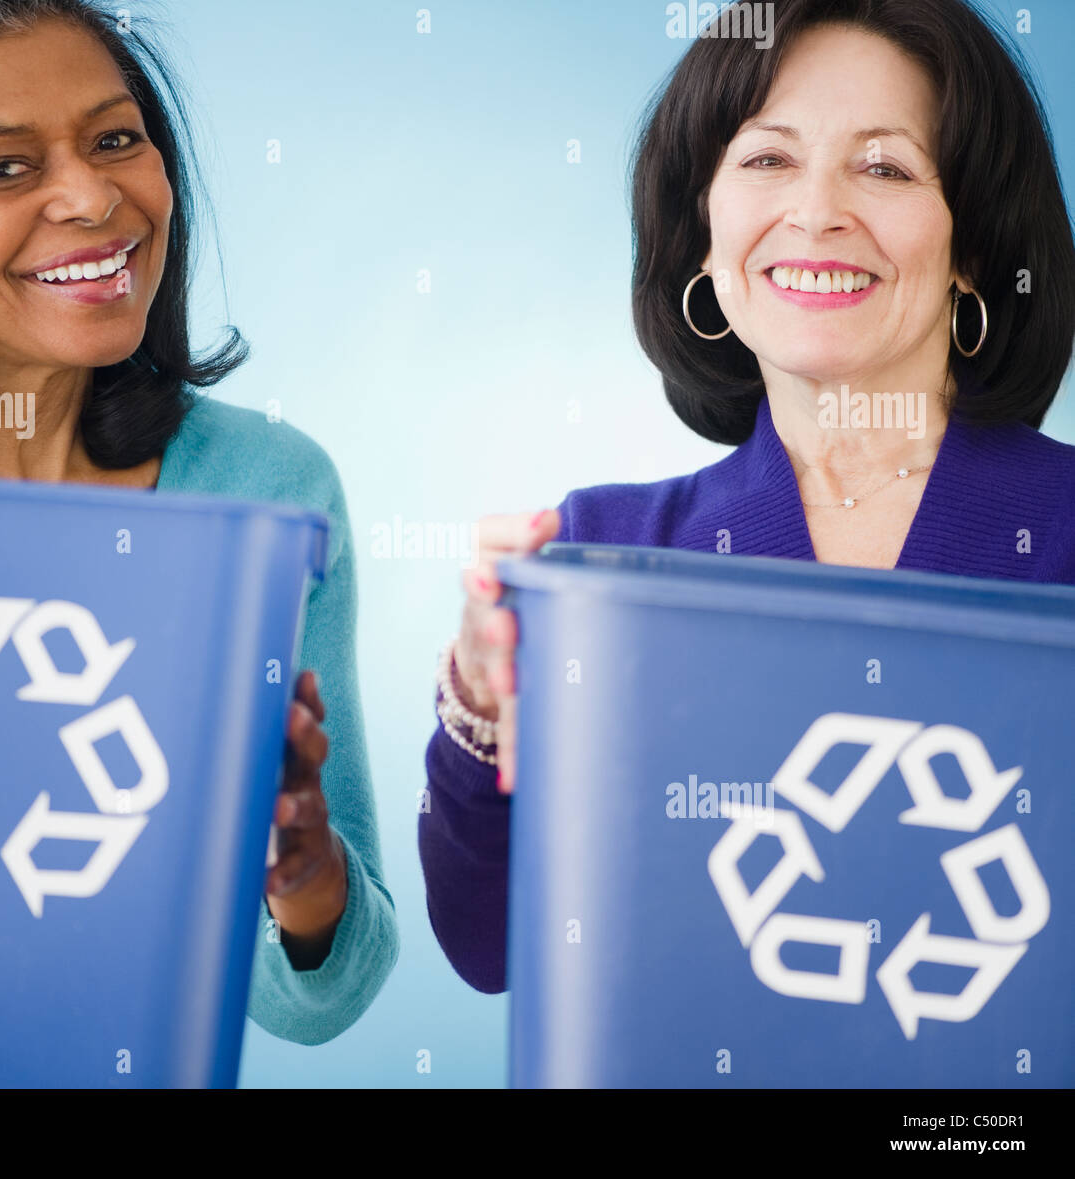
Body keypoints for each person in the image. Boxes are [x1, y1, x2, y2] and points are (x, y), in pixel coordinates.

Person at [421, 0, 1075, 995]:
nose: (815, 211)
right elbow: (494, 946)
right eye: (767, 160)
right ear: (703, 227)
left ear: (974, 245)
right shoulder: (606, 558)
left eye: (886, 166)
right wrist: (481, 700)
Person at [0, 0, 396, 1046]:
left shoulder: (259, 486)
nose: (93, 194)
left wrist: (297, 866)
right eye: (4, 168)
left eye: (116, 140)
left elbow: (320, 1000)